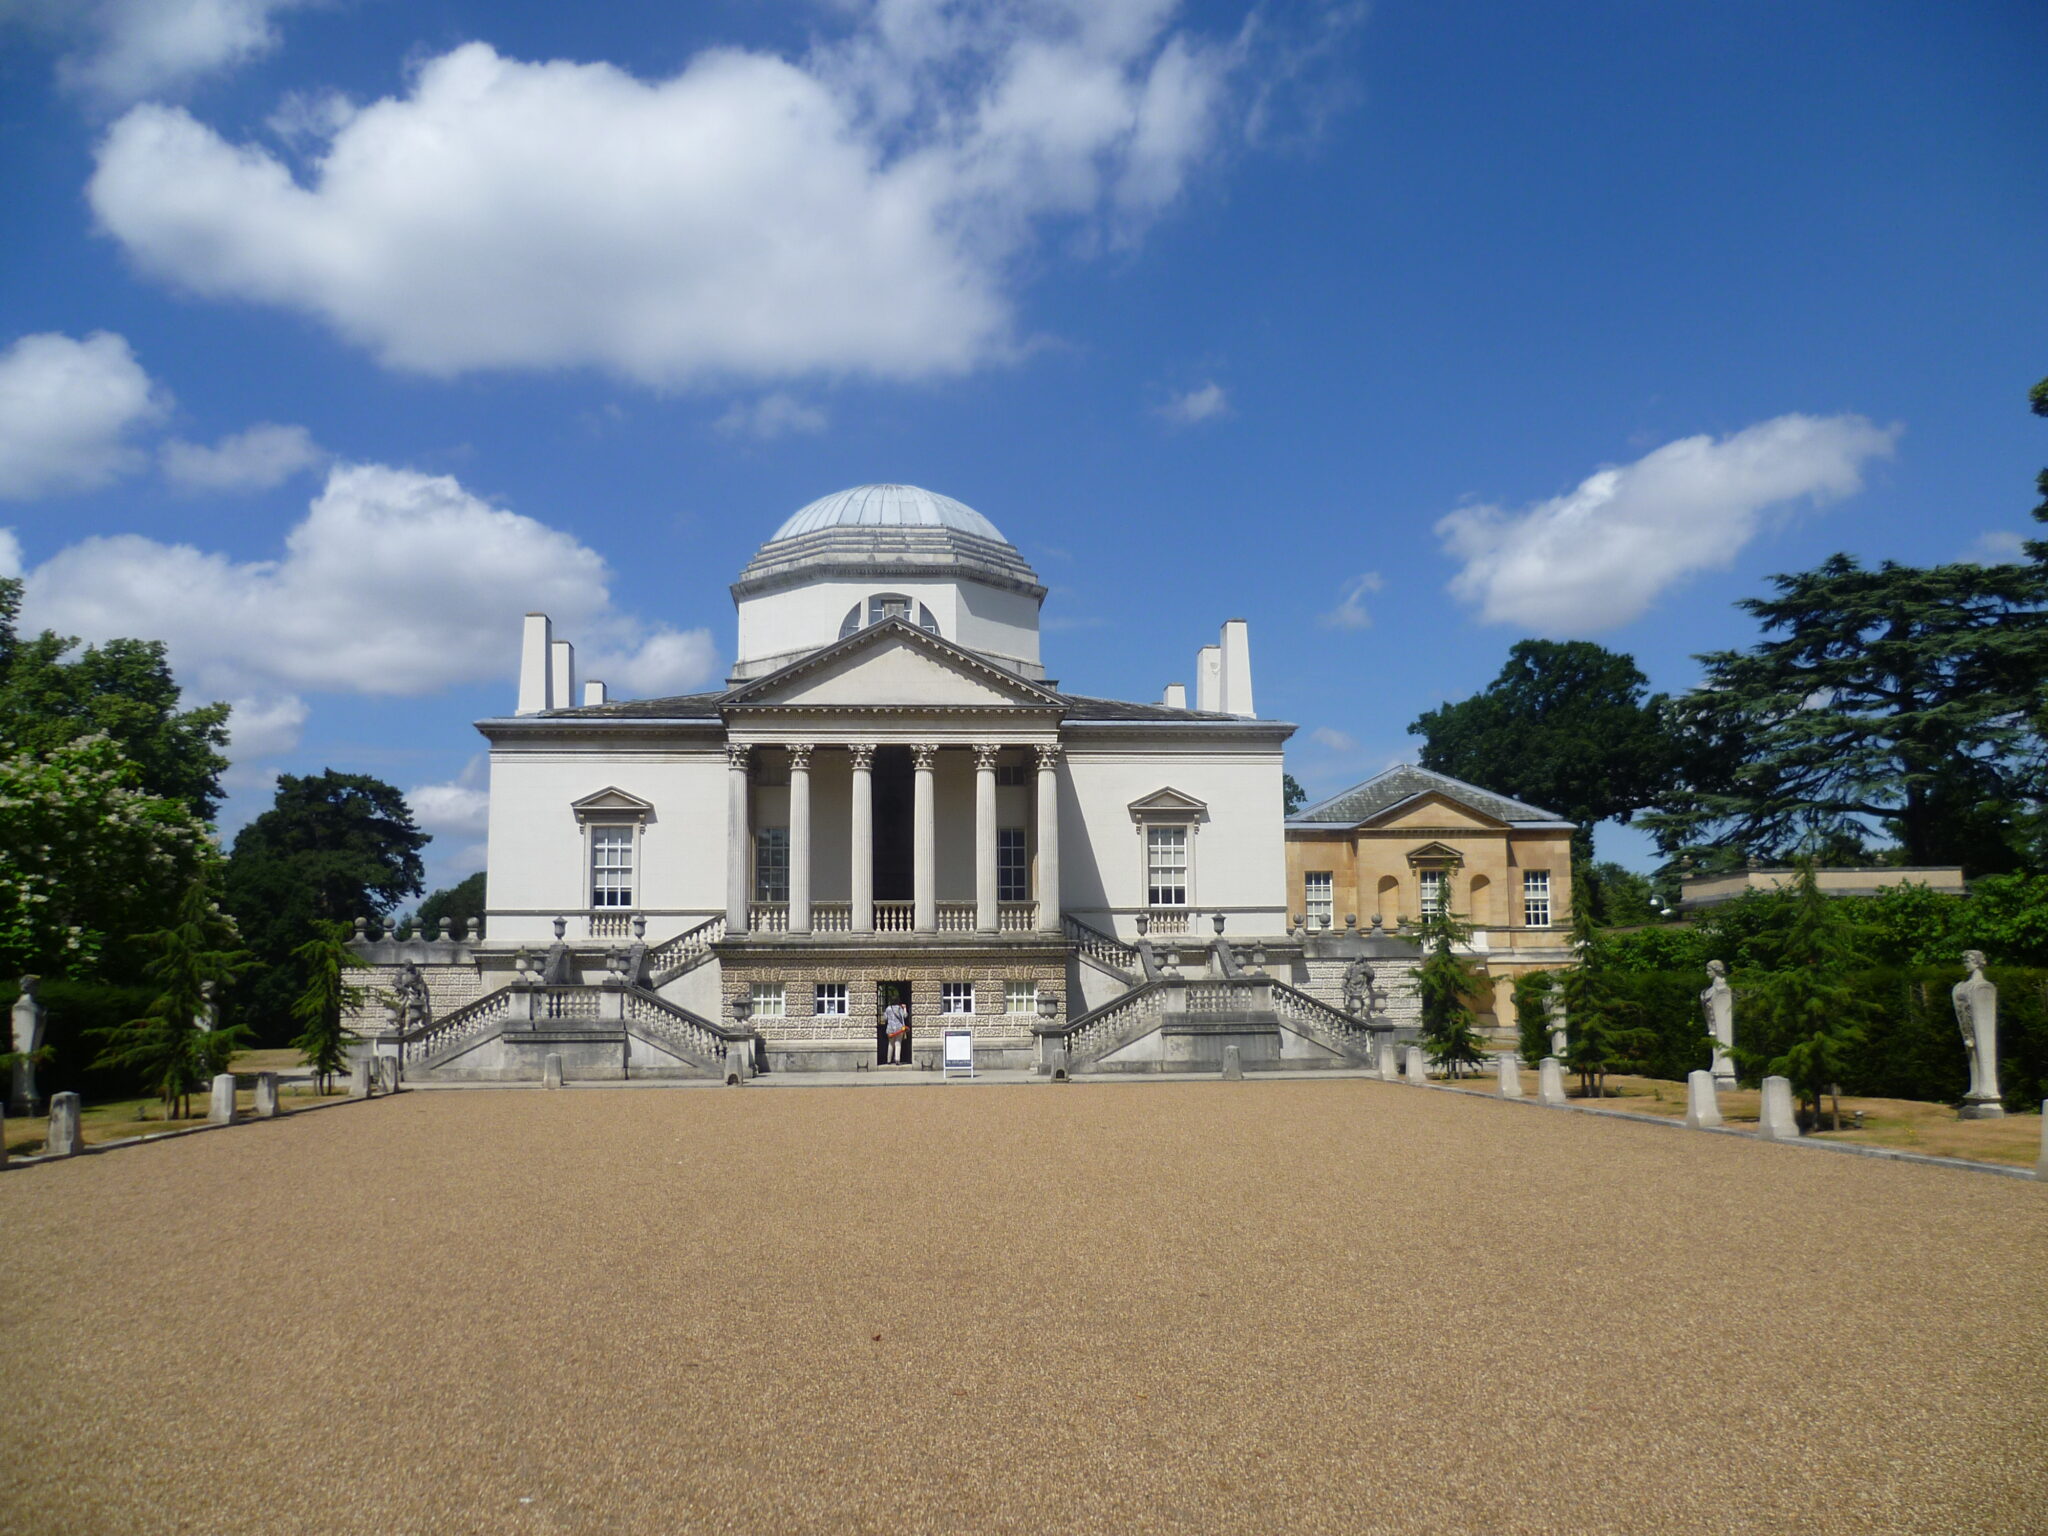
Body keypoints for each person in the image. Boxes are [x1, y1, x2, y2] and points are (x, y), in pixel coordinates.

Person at [883, 995, 910, 1065]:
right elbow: (905, 1015)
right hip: (899, 1029)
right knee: (898, 1044)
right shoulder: (899, 1008)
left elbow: (885, 1018)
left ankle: (888, 1060)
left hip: (890, 1028)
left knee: (890, 1044)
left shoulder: (888, 1008)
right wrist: (905, 1008)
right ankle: (897, 1059)